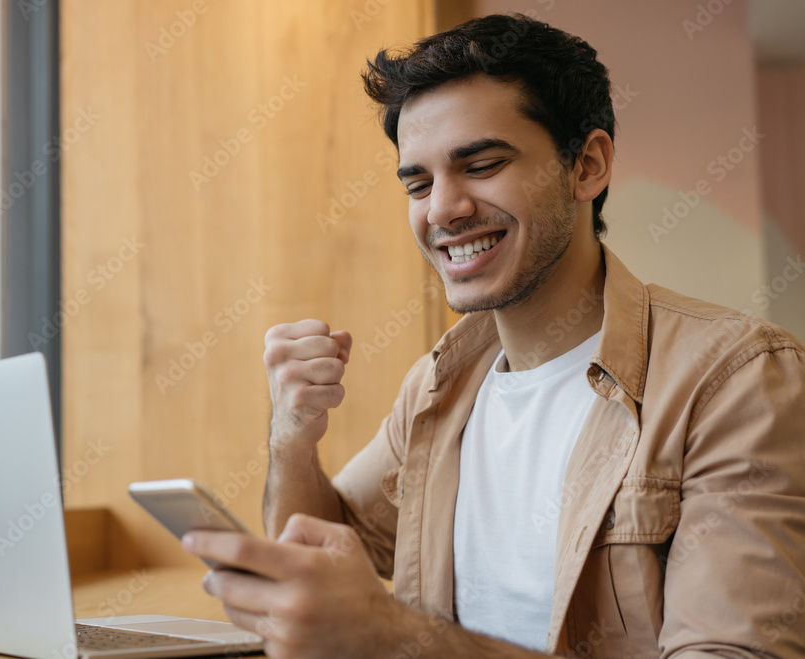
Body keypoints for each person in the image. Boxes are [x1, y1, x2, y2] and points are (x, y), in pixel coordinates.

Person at [182, 13, 805, 658]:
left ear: (587, 166)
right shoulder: (437, 384)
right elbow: (321, 544)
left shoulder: (735, 377)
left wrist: (393, 637)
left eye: (480, 164)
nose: (443, 211)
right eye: (418, 183)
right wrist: (291, 438)